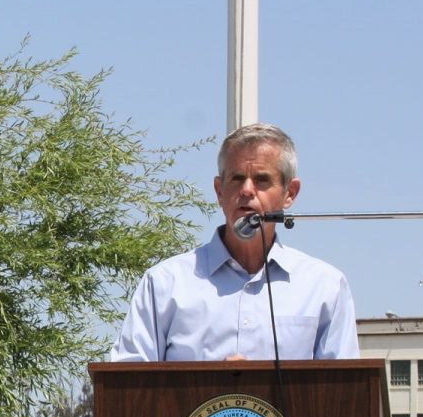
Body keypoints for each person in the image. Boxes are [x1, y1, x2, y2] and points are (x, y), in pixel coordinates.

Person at [110, 123, 359, 362]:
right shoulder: (165, 283)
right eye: (237, 179)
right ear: (219, 191)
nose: (247, 190)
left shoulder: (325, 286)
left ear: (290, 193)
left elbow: (345, 393)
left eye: (262, 180)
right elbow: (129, 385)